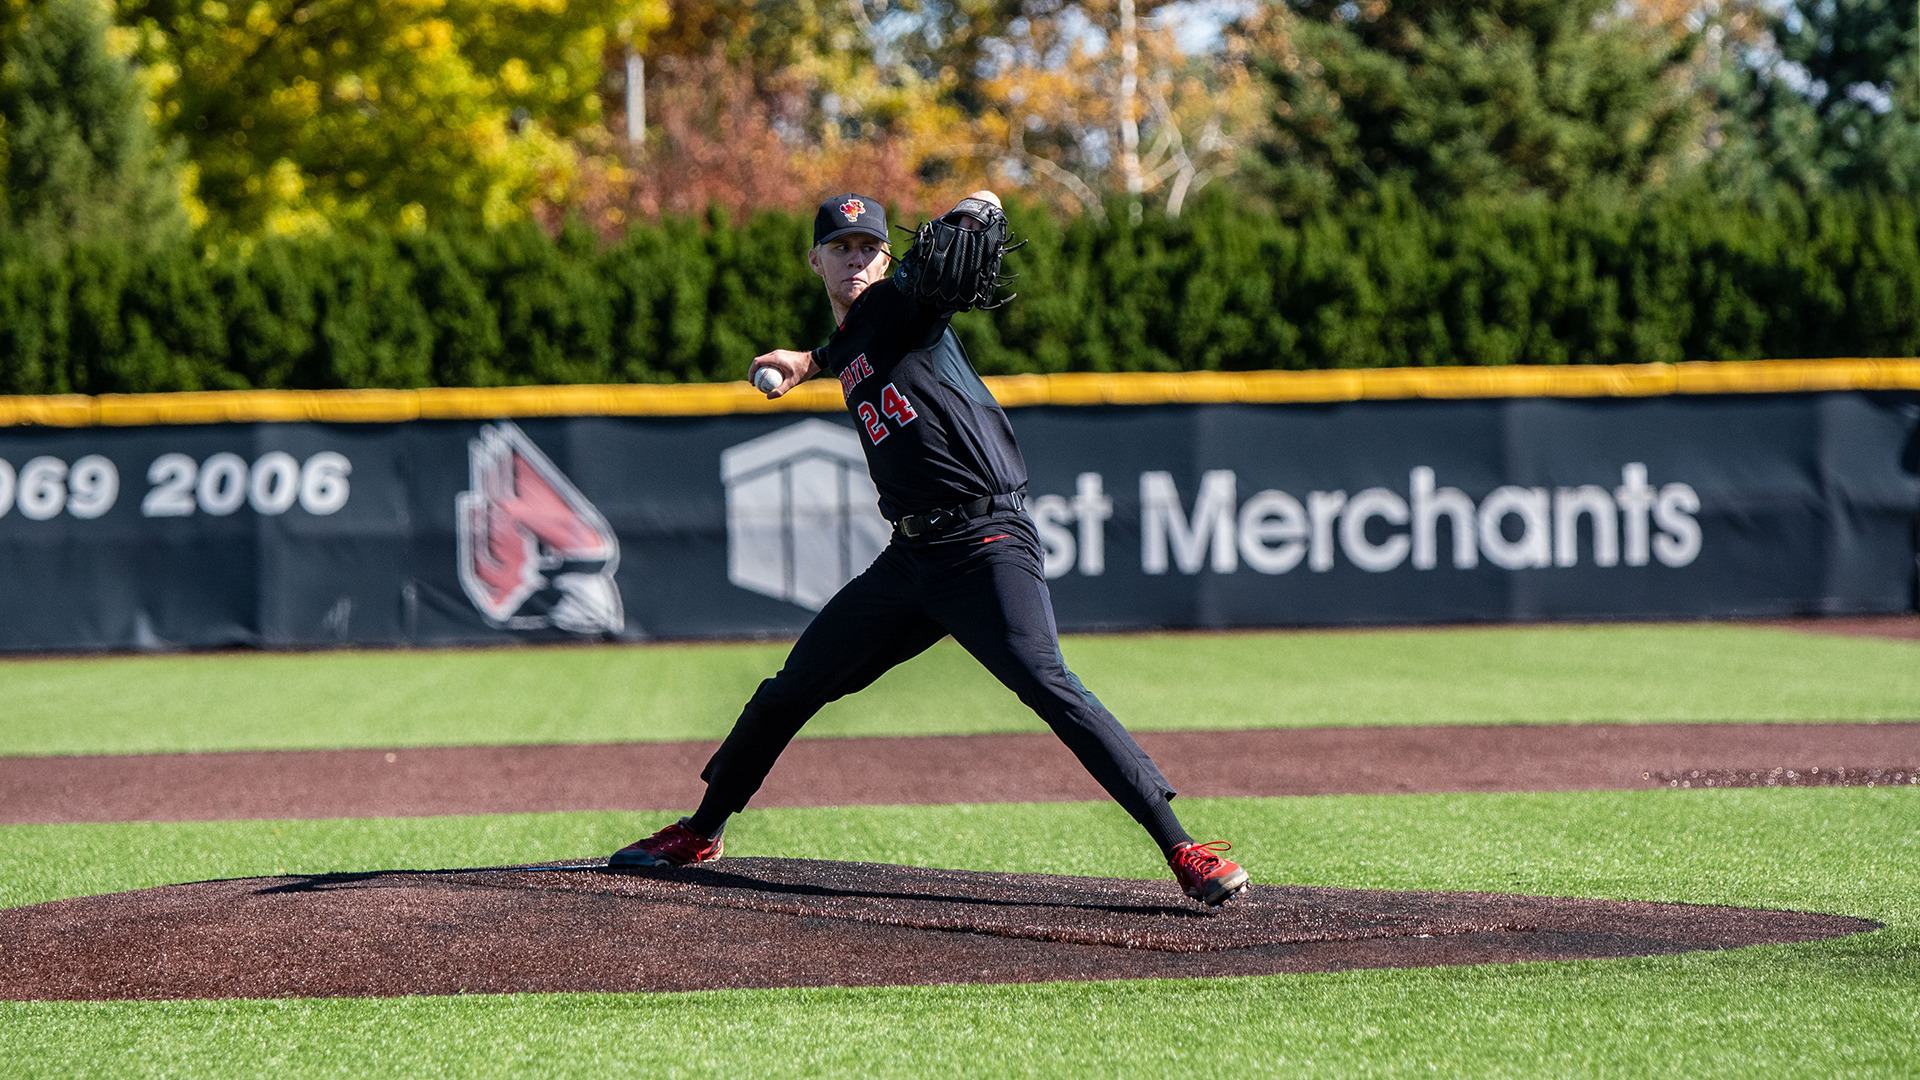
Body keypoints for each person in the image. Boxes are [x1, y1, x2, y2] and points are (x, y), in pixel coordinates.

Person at [609, 190, 1249, 906]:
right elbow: (848, 345)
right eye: (841, 247)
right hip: (911, 560)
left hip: (987, 542)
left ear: (887, 259)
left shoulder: (901, 305)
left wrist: (979, 205)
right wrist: (808, 361)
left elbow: (922, 285)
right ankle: (703, 829)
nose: (855, 258)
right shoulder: (853, 337)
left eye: (869, 248)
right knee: (791, 688)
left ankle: (1182, 846)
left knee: (1048, 685)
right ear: (814, 259)